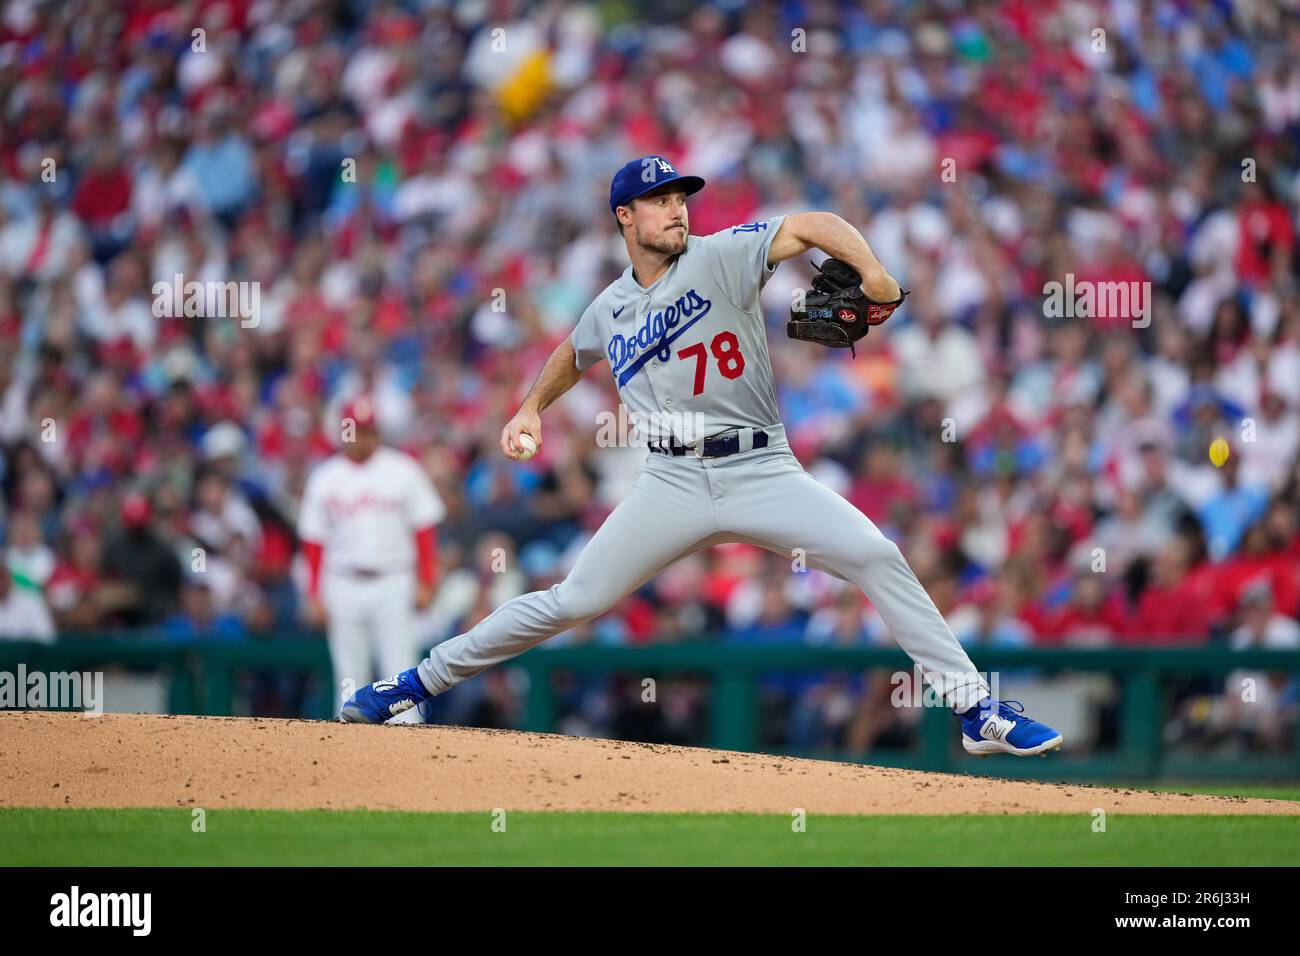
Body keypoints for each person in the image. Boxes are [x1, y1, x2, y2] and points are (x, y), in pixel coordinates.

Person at [340, 155, 1062, 756]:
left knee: (876, 555)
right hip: (671, 480)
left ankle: (976, 710)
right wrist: (531, 406)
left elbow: (811, 225)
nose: (677, 209)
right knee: (575, 600)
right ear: (626, 217)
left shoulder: (719, 256)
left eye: (680, 197)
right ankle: (412, 684)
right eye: (659, 201)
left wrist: (870, 270)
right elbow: (573, 351)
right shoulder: (610, 306)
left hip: (760, 468)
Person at [297, 397, 445, 707]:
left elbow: (424, 530)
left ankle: (407, 740)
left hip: (394, 580)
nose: (361, 437)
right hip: (342, 581)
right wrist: (313, 594)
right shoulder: (325, 477)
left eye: (367, 430)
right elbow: (313, 542)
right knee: (349, 672)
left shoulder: (402, 470)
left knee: (400, 668)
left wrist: (427, 580)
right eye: (355, 430)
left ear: (377, 432)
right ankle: (349, 748)